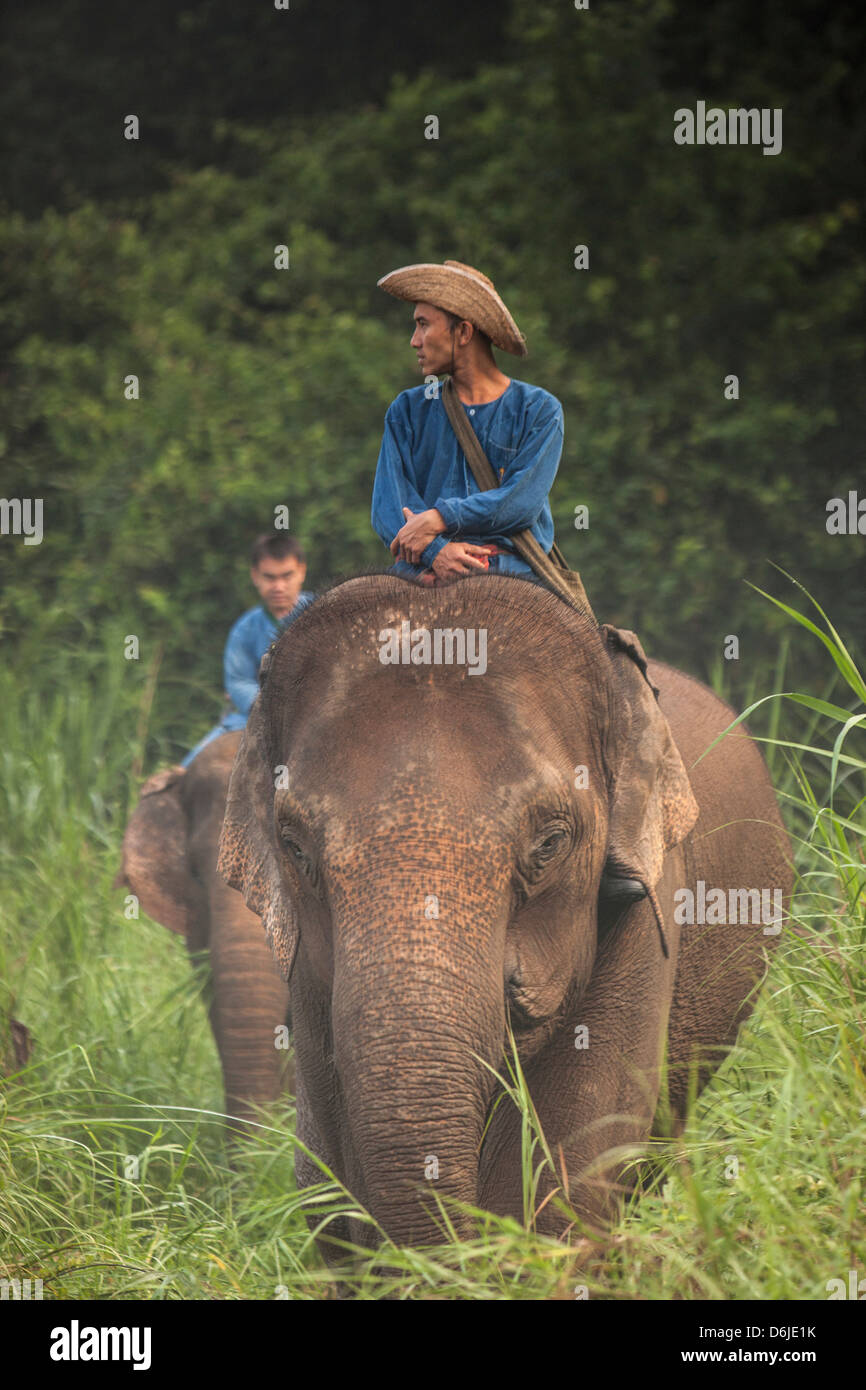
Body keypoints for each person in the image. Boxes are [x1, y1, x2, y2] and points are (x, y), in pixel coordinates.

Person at [372, 258, 563, 588]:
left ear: (463, 332)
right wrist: (437, 552)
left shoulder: (539, 410)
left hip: (511, 571)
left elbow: (520, 503)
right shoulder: (406, 410)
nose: (414, 341)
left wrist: (439, 517)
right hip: (423, 572)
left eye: (423, 325)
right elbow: (388, 507)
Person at [141, 534, 314, 792]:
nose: (278, 586)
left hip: (315, 705)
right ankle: (179, 780)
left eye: (286, 576)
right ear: (255, 576)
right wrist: (272, 703)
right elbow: (238, 682)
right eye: (269, 577)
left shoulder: (321, 611)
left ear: (301, 571)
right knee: (208, 750)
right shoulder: (245, 630)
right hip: (258, 714)